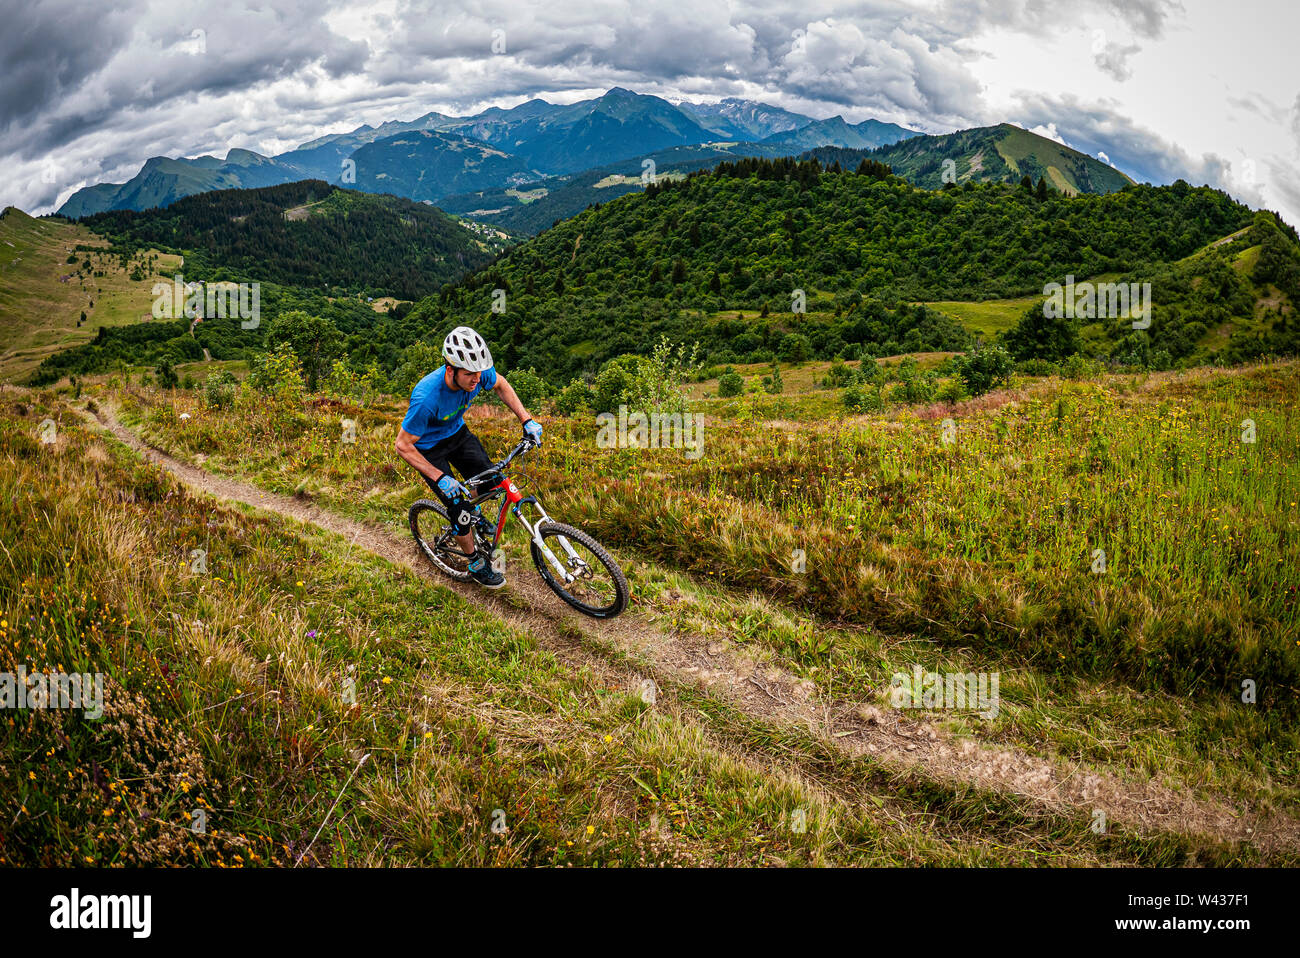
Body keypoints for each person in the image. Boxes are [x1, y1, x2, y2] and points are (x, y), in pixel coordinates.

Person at [394, 326, 543, 588]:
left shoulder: (477, 374)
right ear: (450, 369)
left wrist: (527, 420)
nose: (477, 379)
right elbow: (403, 445)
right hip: (429, 449)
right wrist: (440, 477)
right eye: (469, 374)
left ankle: (474, 514)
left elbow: (501, 385)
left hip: (457, 434)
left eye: (479, 373)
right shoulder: (426, 398)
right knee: (459, 509)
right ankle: (474, 562)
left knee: (490, 481)